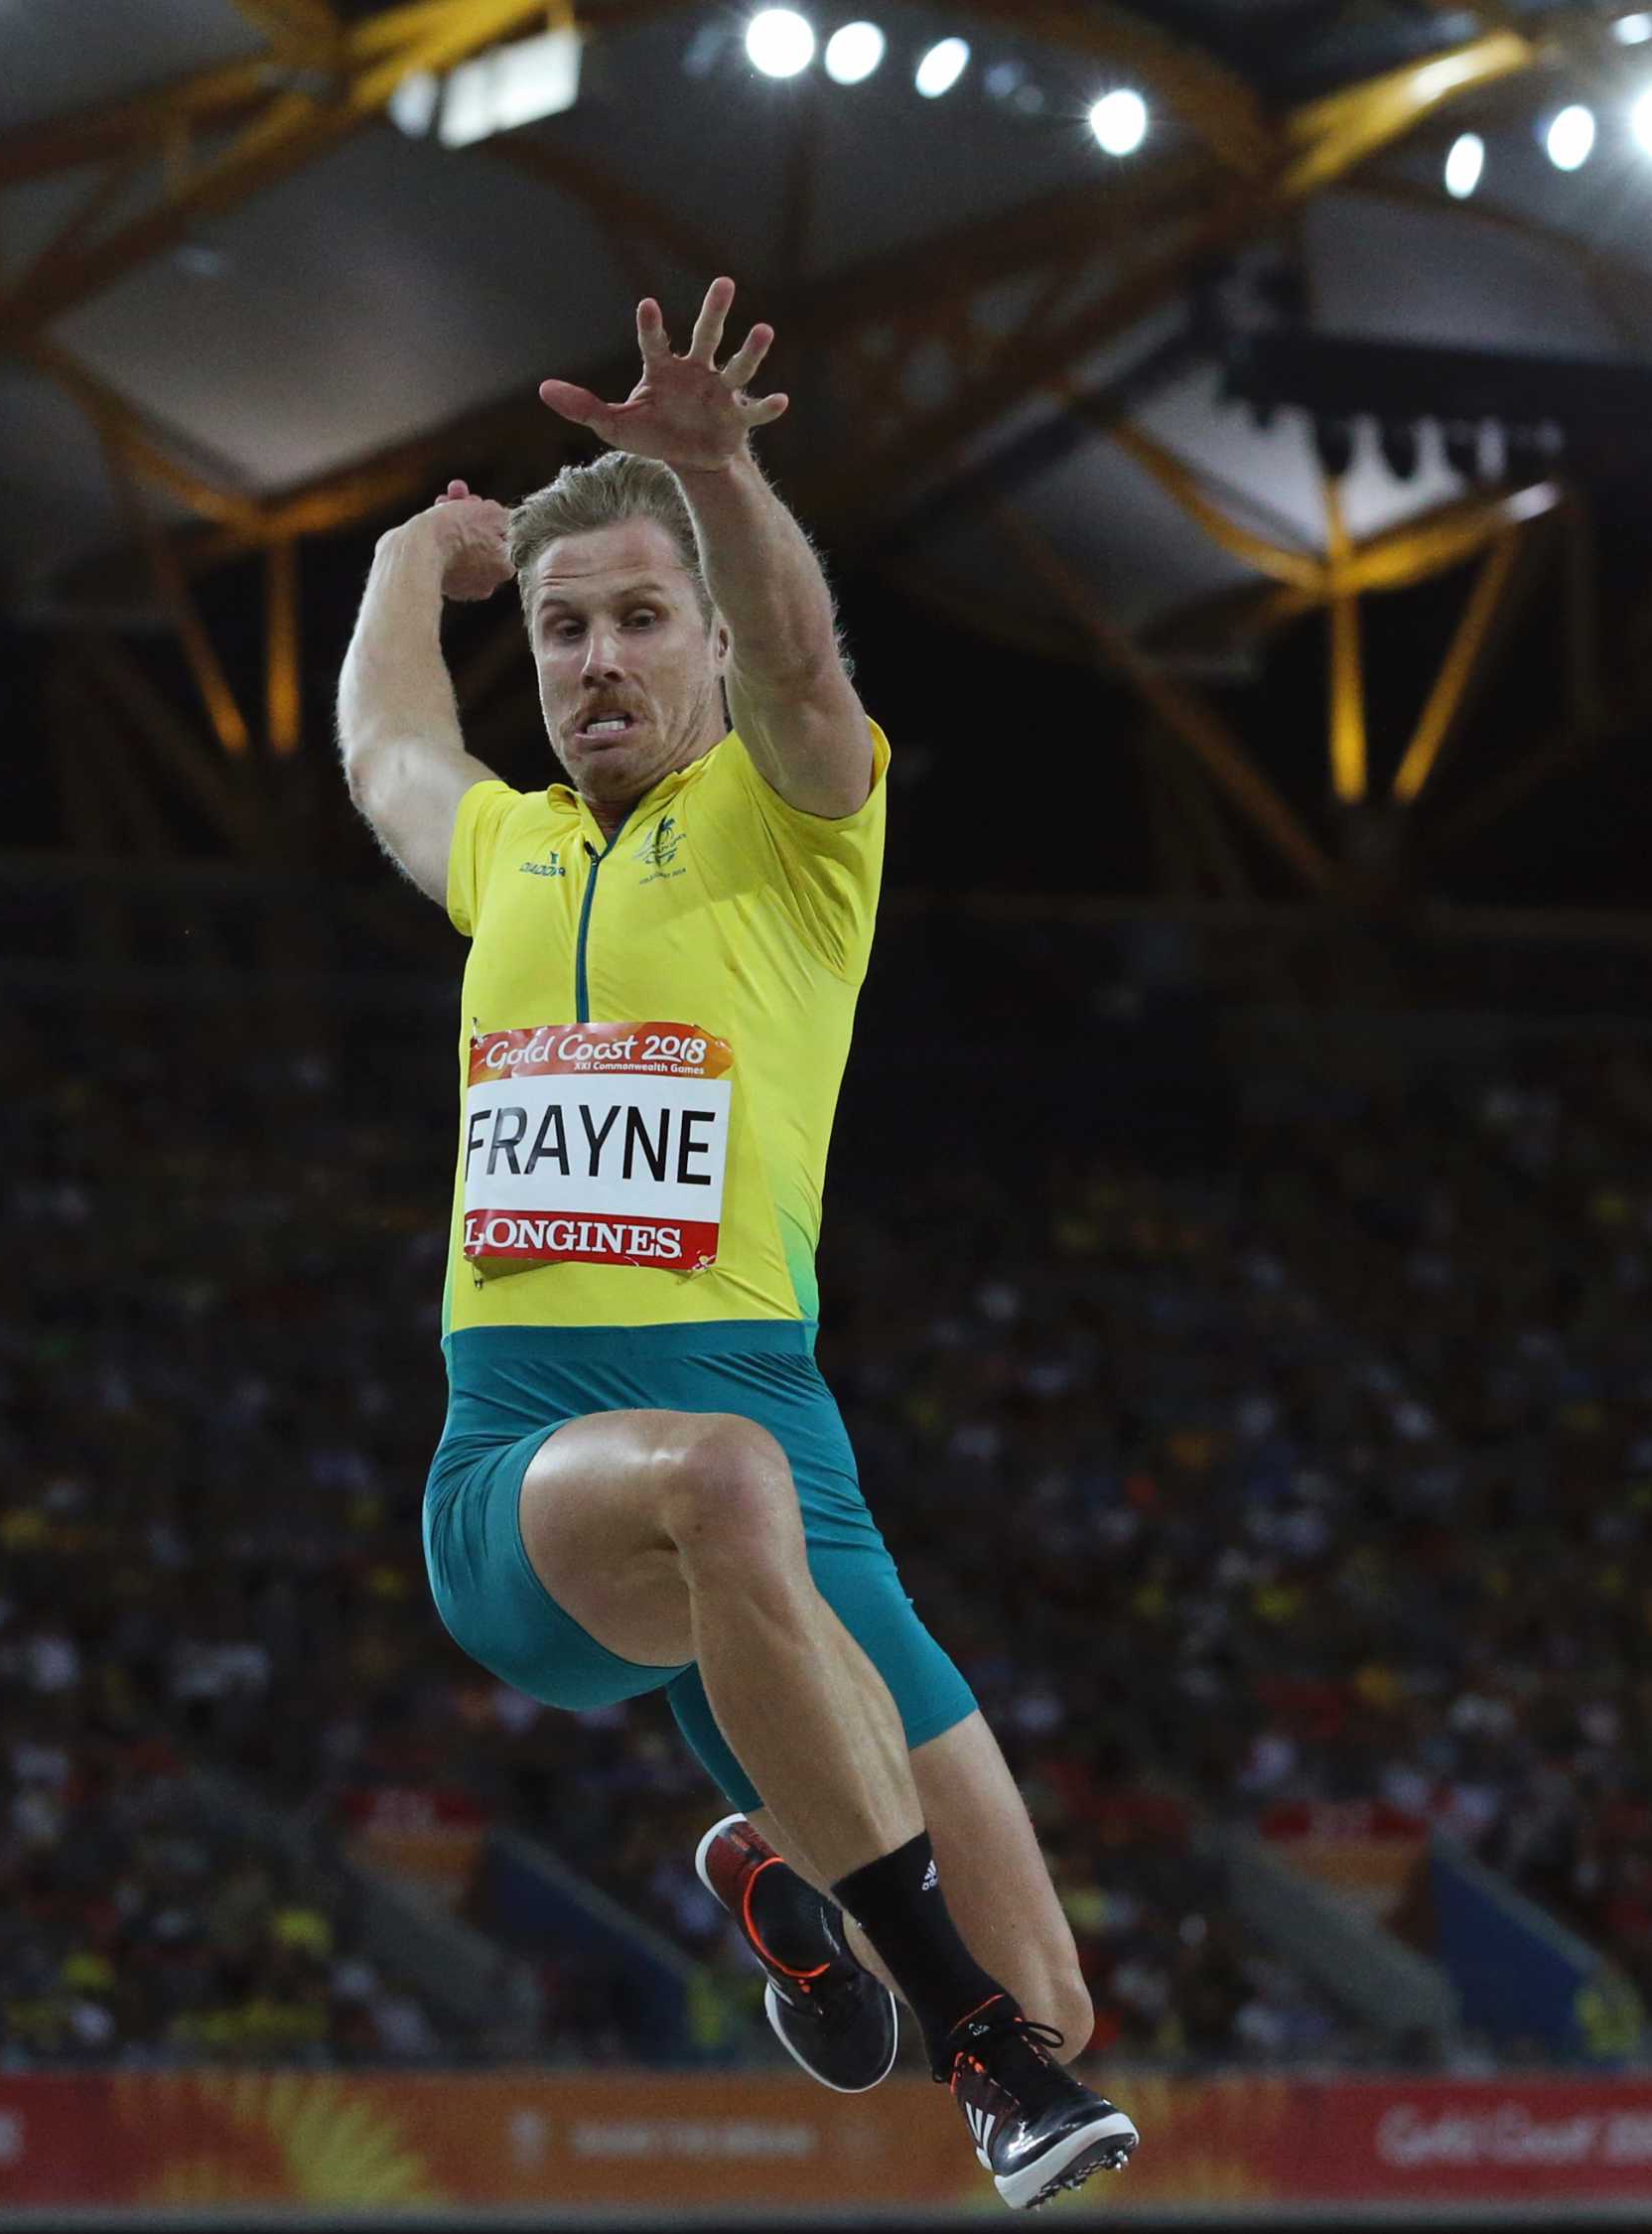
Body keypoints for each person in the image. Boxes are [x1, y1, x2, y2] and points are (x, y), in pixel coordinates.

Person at [335, 277, 1136, 2209]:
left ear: (701, 636)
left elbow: (803, 669)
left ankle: (804, 1895)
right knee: (720, 1479)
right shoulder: (511, 858)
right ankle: (981, 2057)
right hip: (531, 1482)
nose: (597, 661)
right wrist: (406, 560)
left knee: (1069, 1991)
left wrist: (721, 481)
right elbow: (381, 745)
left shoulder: (798, 833)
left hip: (779, 1474)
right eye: (562, 629)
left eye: (638, 618)